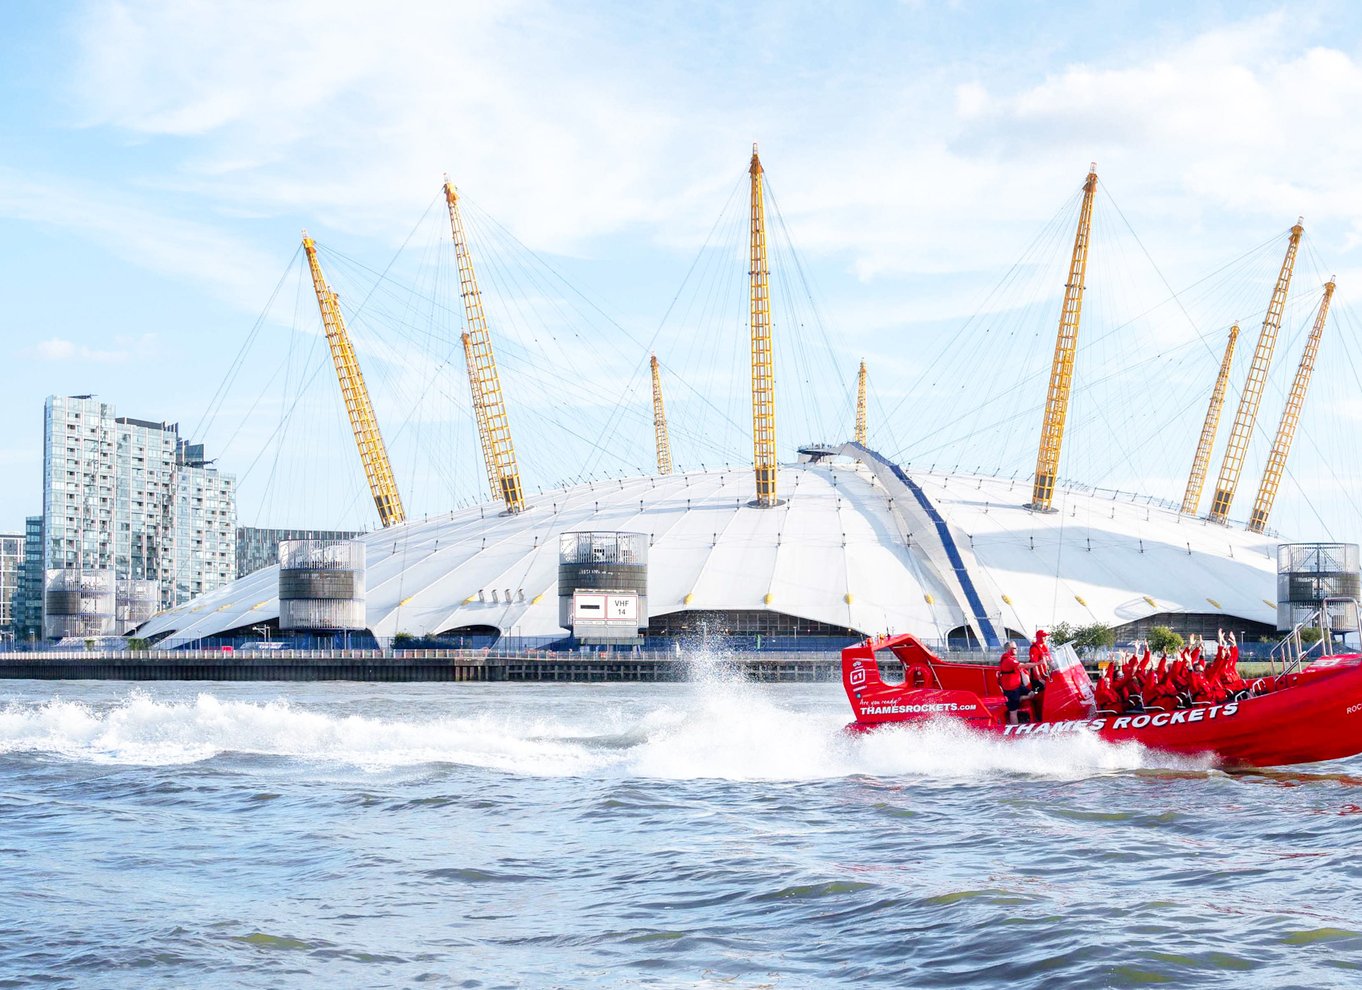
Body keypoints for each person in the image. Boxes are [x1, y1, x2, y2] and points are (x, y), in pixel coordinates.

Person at [998, 640, 1025, 725]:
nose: (1016, 649)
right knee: (1013, 711)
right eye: (1013, 648)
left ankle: (1019, 699)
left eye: (1016, 648)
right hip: (1011, 690)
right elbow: (1023, 666)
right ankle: (1015, 728)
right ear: (1008, 650)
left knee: (1033, 693)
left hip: (1017, 687)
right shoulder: (1007, 660)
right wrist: (1037, 663)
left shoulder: (1011, 659)